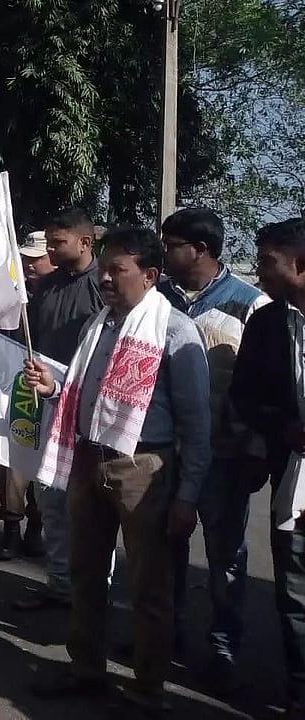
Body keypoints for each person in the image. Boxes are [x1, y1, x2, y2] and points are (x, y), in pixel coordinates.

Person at [26, 227, 210, 713]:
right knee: (87, 574)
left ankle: (149, 689)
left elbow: (195, 422)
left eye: (117, 270)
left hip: (144, 468)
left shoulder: (174, 331)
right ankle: (86, 669)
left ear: (149, 276)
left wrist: (188, 494)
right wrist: (55, 385)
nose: (104, 278)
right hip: (90, 458)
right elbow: (90, 385)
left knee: (149, 587)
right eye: (103, 268)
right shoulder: (99, 324)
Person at [158, 207, 268, 691]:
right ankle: (166, 633)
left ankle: (224, 645)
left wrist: (256, 452)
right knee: (164, 549)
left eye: (171, 245)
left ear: (199, 250)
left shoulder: (251, 305)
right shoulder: (157, 297)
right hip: (164, 452)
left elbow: (266, 386)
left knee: (225, 555)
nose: (164, 254)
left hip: (225, 457)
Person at [230, 217, 305, 720]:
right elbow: (246, 394)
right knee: (296, 591)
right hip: (294, 477)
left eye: (269, 264)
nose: (261, 276)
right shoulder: (266, 321)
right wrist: (284, 427)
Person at [14, 209, 105, 611]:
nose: (50, 248)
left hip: (91, 414)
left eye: (58, 241)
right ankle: (59, 584)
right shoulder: (46, 287)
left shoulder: (105, 286)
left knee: (92, 508)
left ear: (85, 243)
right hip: (48, 406)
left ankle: (94, 591)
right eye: (48, 241)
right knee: (49, 496)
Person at [0, 230, 53, 561]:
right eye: (25, 258)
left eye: (35, 259)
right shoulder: (12, 298)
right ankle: (11, 529)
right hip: (17, 389)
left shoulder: (62, 293)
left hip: (53, 391)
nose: (28, 265)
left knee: (45, 465)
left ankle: (37, 527)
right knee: (14, 462)